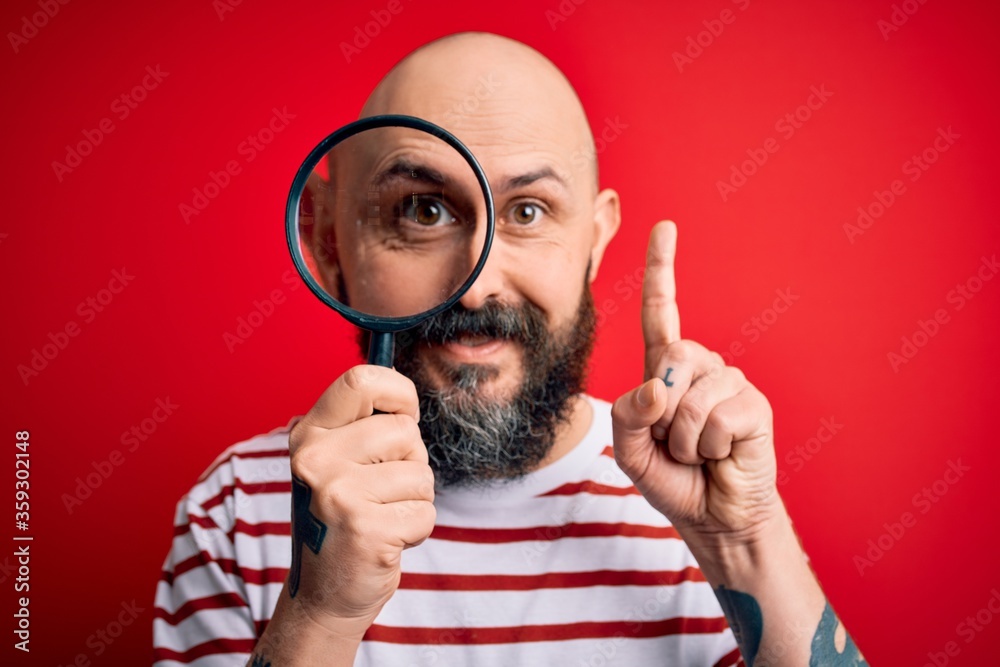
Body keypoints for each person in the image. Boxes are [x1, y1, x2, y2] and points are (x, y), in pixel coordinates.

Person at [153, 32, 866, 666]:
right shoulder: (235, 513)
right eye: (423, 210)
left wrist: (742, 541)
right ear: (328, 241)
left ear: (594, 241)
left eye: (527, 211)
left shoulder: (699, 510)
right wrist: (321, 616)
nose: (479, 284)